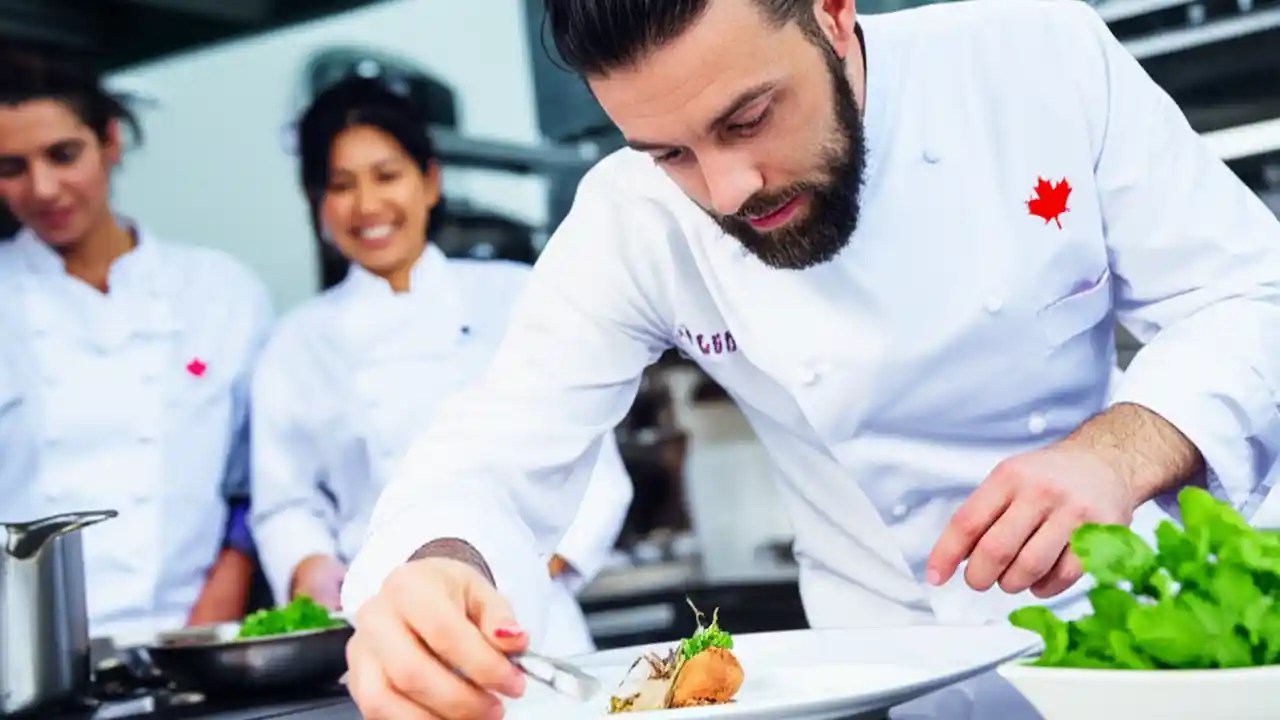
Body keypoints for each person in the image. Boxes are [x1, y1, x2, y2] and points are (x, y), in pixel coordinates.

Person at [340, 0, 1280, 716]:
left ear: (833, 11)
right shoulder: (629, 216)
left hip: (1128, 649)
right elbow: (500, 441)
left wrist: (1122, 446)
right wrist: (431, 564)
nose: (727, 187)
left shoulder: (1038, 61)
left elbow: (1251, 293)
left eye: (748, 117)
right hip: (873, 676)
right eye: (670, 152)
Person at [248, 76, 634, 656]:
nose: (368, 205)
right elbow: (286, 502)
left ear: (429, 181)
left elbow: (594, 460)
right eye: (341, 185)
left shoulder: (516, 295)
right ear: (317, 204)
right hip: (381, 625)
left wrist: (531, 566)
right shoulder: (296, 343)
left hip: (528, 616)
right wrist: (310, 567)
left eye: (387, 175)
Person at [0, 42, 272, 642]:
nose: (41, 188)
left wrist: (215, 615)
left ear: (111, 143)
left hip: (192, 639)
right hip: (22, 659)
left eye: (62, 154)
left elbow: (261, 476)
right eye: (11, 167)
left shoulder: (220, 291)